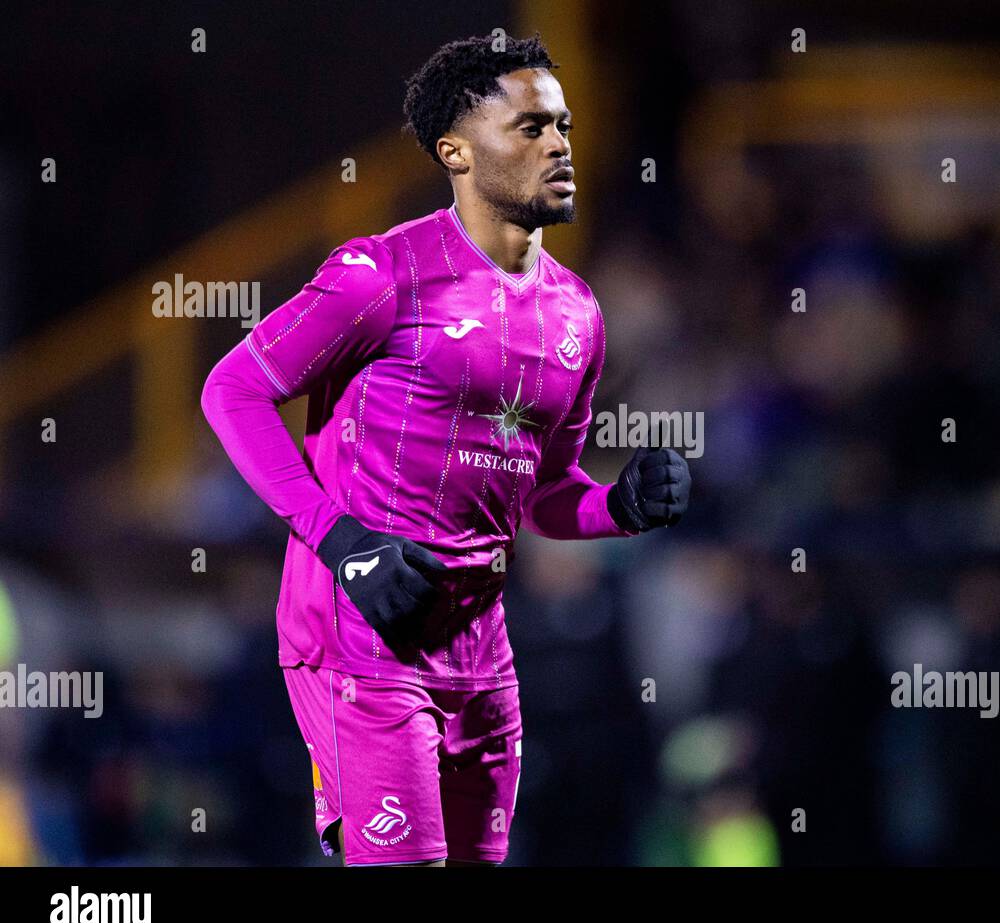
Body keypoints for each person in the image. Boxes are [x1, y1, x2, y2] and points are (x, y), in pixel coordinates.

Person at [200, 32, 690, 867]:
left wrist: (617, 506)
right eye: (530, 127)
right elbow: (231, 391)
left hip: (480, 650)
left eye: (563, 125)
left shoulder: (578, 316)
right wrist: (343, 541)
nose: (559, 143)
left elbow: (539, 494)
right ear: (455, 151)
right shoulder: (377, 276)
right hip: (361, 634)